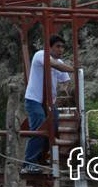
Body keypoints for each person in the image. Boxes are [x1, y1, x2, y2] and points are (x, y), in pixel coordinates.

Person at [22, 34, 75, 174]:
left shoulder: (59, 61)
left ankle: (41, 158)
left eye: (62, 47)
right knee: (40, 128)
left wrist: (65, 89)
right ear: (49, 47)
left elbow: (65, 81)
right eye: (58, 46)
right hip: (34, 100)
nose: (61, 49)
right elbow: (58, 66)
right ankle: (28, 163)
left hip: (50, 102)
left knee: (53, 128)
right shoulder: (41, 55)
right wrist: (76, 68)